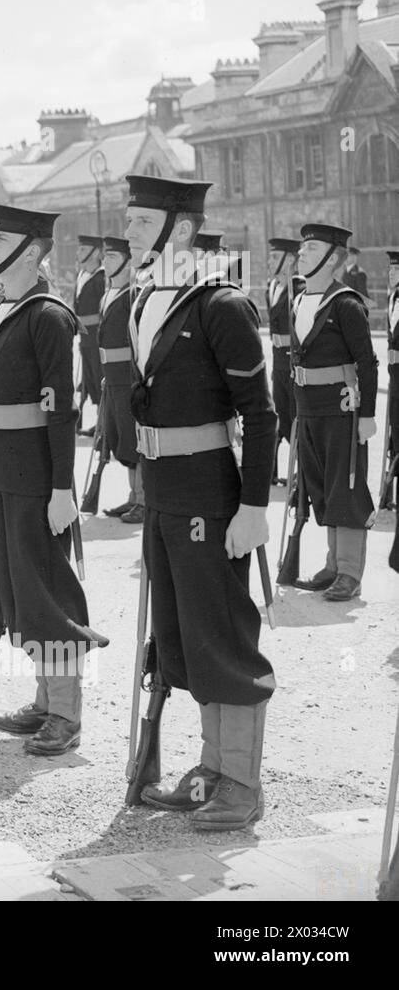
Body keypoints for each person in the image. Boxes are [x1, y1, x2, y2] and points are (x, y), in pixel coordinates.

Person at [123, 175, 275, 830]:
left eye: (139, 220)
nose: (128, 231)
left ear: (180, 229)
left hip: (210, 493)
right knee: (184, 638)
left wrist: (254, 506)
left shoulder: (221, 304)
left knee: (223, 637)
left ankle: (241, 780)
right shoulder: (145, 301)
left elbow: (261, 414)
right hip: (163, 492)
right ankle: (215, 766)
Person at [0, 204, 102, 755]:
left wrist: (61, 490)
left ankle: (67, 714)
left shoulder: (49, 316)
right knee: (18, 593)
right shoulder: (2, 305)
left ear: (30, 250)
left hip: (37, 478)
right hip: (7, 472)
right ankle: (47, 701)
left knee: (47, 593)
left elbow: (60, 410)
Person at [289, 223, 378, 601]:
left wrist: (369, 415)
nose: (302, 252)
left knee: (347, 488)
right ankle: (332, 565)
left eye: (312, 248)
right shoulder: (298, 300)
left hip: (343, 410)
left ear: (334, 258)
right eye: (303, 246)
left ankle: (349, 573)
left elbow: (367, 363)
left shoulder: (346, 303)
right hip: (309, 410)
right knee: (322, 487)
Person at [97, 236, 144, 523]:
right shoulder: (109, 294)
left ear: (128, 262)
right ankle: (132, 496)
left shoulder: (133, 294)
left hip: (127, 376)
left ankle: (142, 499)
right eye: (106, 257)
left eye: (112, 257)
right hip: (111, 377)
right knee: (119, 437)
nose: (105, 262)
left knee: (132, 437)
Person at [265, 237, 303, 486]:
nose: (269, 261)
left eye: (274, 257)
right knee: (279, 415)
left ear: (289, 260)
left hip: (291, 362)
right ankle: (273, 471)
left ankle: (303, 469)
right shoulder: (272, 286)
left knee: (295, 415)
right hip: (277, 361)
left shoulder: (298, 289)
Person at [73, 235, 105, 435]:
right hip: (84, 339)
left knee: (98, 379)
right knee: (88, 382)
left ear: (96, 253)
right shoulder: (82, 275)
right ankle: (95, 423)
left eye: (84, 250)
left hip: (96, 338)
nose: (78, 253)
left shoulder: (101, 278)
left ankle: (103, 425)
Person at [383, 249, 399, 512]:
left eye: (395, 270)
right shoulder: (393, 297)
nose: (391, 273)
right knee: (394, 434)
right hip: (394, 374)